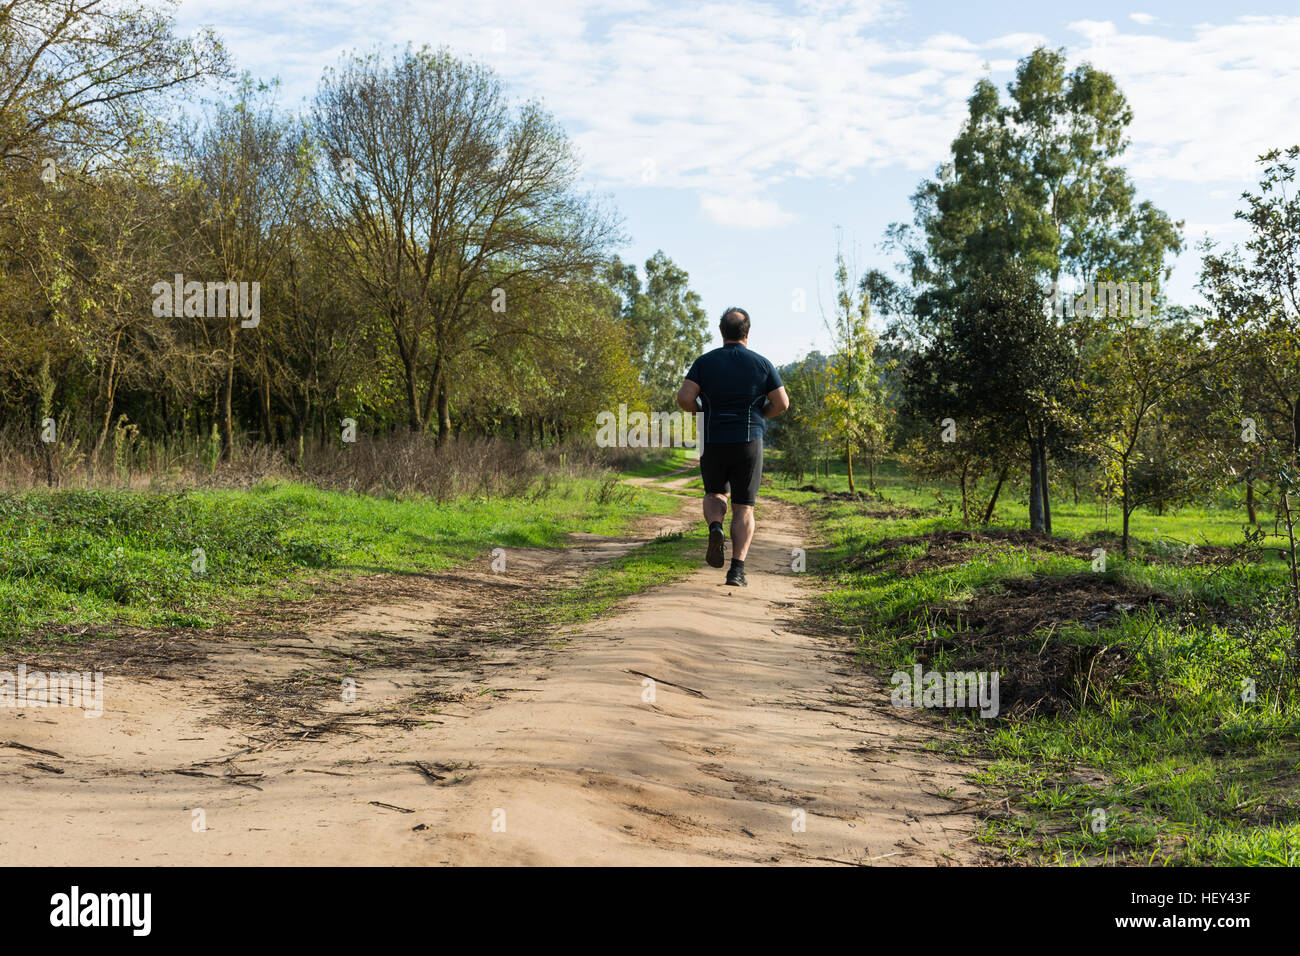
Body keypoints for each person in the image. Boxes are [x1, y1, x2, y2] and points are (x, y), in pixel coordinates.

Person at [676, 306, 789, 587]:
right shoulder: (762, 364)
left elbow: (684, 398)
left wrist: (701, 411)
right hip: (748, 441)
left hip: (713, 439)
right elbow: (782, 403)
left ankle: (715, 527)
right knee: (744, 507)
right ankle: (736, 570)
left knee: (715, 493)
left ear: (721, 332)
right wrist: (761, 413)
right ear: (747, 332)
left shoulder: (704, 362)